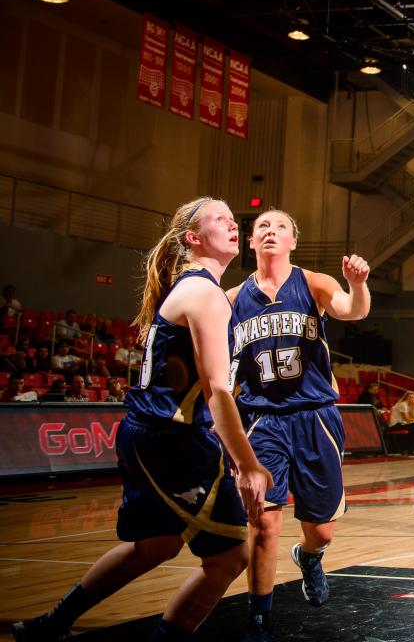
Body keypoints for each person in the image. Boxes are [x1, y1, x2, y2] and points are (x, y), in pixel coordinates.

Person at [10, 197, 271, 642]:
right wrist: (247, 464)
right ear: (192, 237)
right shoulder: (205, 294)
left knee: (155, 545)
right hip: (173, 440)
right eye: (219, 219)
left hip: (148, 433)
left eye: (233, 219)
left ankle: (51, 624)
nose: (232, 224)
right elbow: (217, 390)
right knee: (228, 559)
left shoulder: (192, 288)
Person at [227, 209, 370, 642]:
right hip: (262, 418)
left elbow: (353, 311)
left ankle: (309, 557)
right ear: (251, 242)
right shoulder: (232, 298)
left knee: (321, 529)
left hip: (314, 416)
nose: (270, 232)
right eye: (262, 228)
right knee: (264, 523)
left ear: (293, 241)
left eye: (280, 227)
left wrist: (358, 283)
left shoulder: (312, 283)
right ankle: (258, 617)